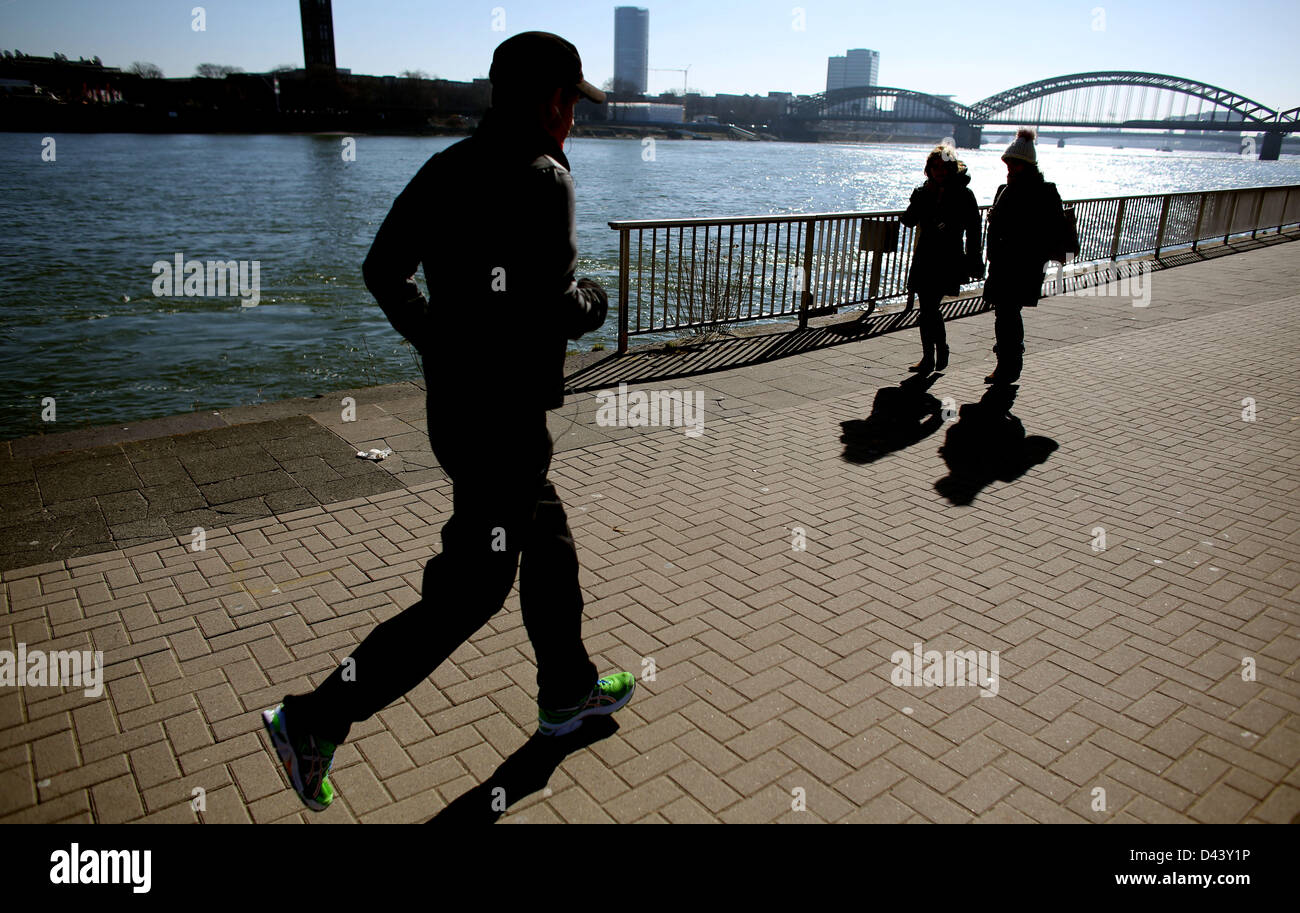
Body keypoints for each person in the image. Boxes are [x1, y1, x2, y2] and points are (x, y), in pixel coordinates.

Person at [261, 32, 635, 813]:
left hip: (457, 412)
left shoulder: (444, 168)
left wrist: (435, 337)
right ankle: (313, 718)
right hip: (503, 422)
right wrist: (592, 298)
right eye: (571, 103)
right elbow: (550, 303)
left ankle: (568, 691)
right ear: (549, 102)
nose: (575, 120)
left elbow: (381, 269)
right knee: (469, 593)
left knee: (550, 543)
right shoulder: (544, 178)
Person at [981, 127, 1067, 385]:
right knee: (1005, 313)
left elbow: (1053, 230)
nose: (1009, 169)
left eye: (1014, 164)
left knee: (1007, 313)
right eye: (1008, 164)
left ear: (1026, 165)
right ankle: (1008, 364)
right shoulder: (1005, 189)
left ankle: (1008, 365)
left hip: (1022, 265)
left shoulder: (1043, 192)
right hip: (1002, 264)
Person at [899, 143, 984, 374]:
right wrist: (917, 199)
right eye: (934, 167)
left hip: (948, 257)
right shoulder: (924, 192)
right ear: (929, 169)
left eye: (944, 167)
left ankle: (936, 351)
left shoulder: (963, 194)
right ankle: (931, 354)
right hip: (925, 255)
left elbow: (975, 229)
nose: (939, 171)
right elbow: (907, 220)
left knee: (929, 308)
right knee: (926, 308)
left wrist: (974, 259)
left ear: (952, 168)